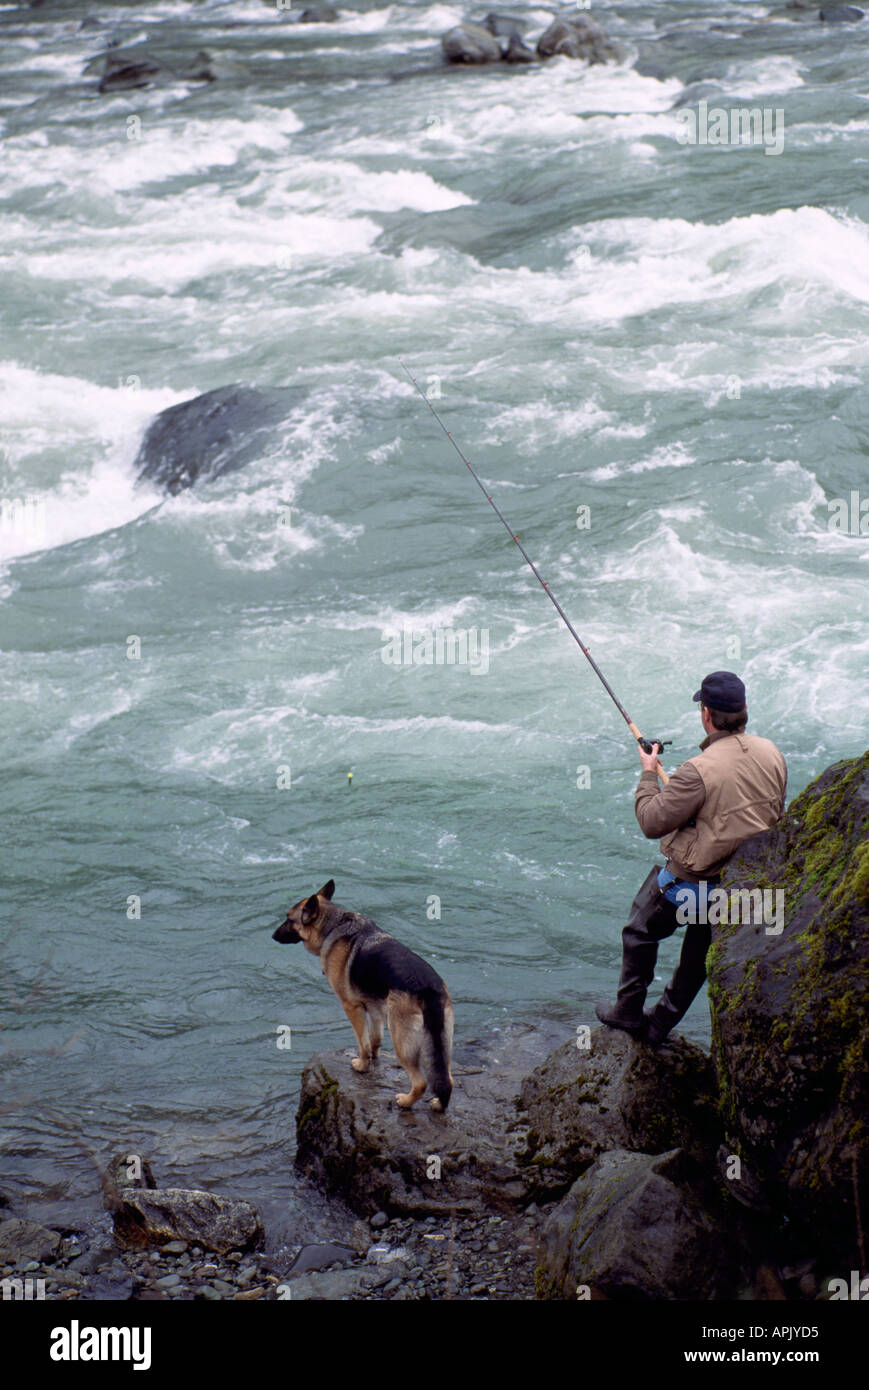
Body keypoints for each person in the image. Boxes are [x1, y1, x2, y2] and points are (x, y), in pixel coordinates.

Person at [595, 671, 787, 1045]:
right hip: (743, 888)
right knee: (699, 951)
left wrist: (649, 774)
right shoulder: (771, 752)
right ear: (744, 709)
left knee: (640, 930)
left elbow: (651, 821)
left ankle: (628, 1012)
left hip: (697, 887)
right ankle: (660, 1024)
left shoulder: (696, 772)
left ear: (706, 715)